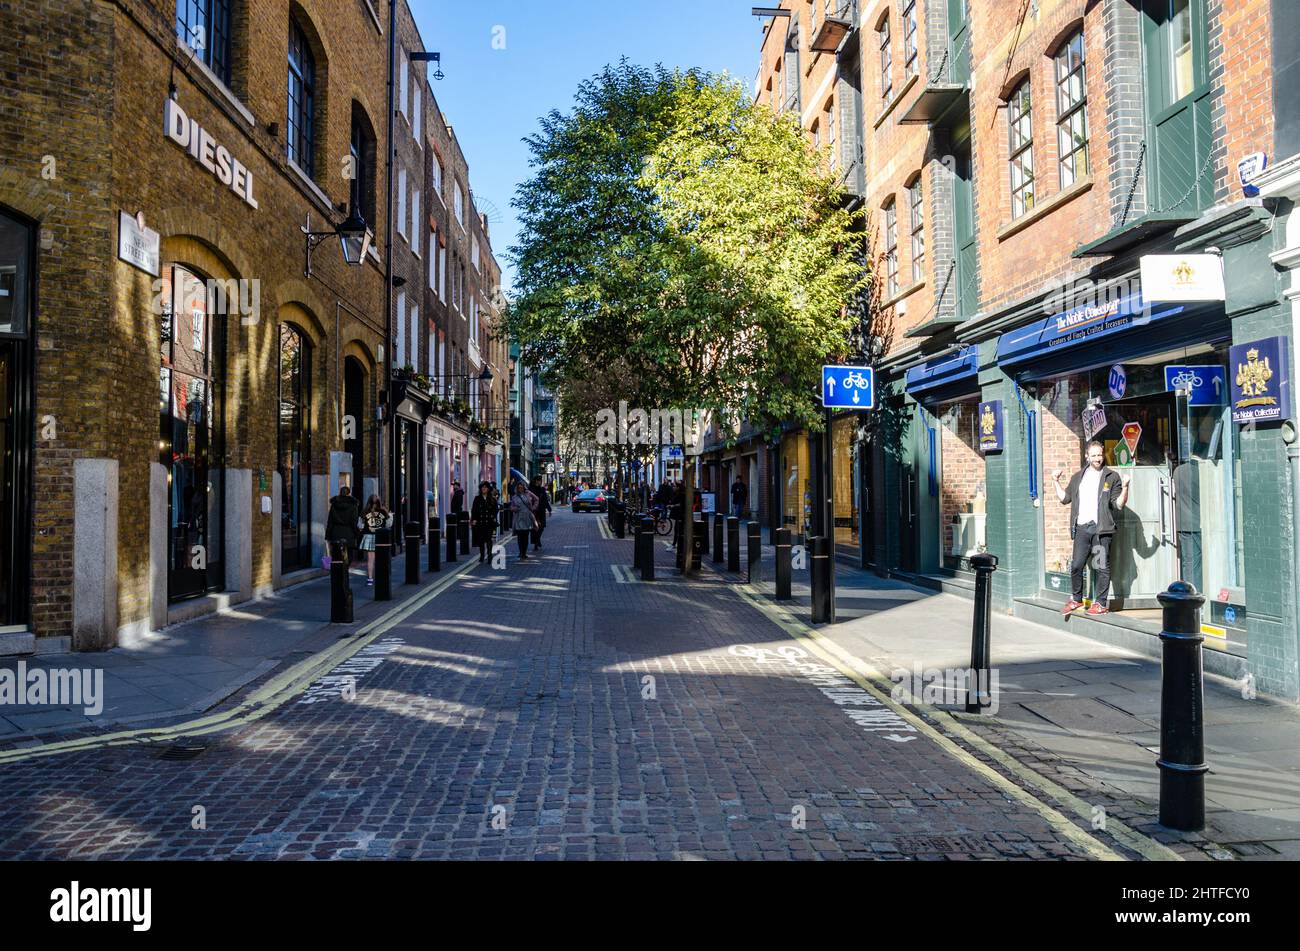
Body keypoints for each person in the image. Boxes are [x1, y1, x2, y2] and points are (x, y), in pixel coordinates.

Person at [1053, 440, 1131, 615]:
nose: (1098, 458)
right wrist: (1055, 481)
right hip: (1082, 528)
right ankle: (1076, 599)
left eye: (1100, 455)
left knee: (1101, 566)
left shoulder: (1111, 477)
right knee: (1076, 566)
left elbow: (1118, 504)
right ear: (1087, 456)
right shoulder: (1078, 477)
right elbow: (1065, 498)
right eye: (1094, 455)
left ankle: (1101, 604)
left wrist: (1126, 487)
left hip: (1100, 530)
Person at [358, 495, 393, 586]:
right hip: (380, 536)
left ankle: (370, 578)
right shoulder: (383, 511)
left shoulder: (365, 511)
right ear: (379, 501)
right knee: (381, 558)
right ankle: (382, 576)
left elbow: (360, 526)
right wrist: (389, 515)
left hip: (369, 536)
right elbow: (389, 524)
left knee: (370, 559)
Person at [325, 485, 361, 566]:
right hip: (349, 532)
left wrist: (328, 535)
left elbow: (330, 521)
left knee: (336, 554)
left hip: (336, 531)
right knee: (349, 554)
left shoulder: (334, 504)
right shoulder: (353, 505)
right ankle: (345, 570)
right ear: (349, 493)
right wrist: (357, 534)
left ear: (340, 493)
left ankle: (339, 571)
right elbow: (354, 521)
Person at [508, 481, 539, 561]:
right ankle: (521, 552)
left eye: (521, 487)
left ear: (524, 487)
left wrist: (533, 507)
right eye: (519, 488)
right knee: (520, 536)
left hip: (527, 517)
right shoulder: (514, 497)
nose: (520, 489)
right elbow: (511, 507)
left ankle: (524, 553)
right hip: (518, 517)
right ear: (517, 488)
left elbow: (537, 499)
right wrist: (514, 508)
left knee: (525, 536)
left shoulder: (528, 493)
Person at [470, 482, 498, 563]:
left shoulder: (492, 499)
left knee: (489, 539)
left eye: (485, 487)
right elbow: (474, 510)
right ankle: (482, 556)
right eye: (482, 487)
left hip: (489, 523)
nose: (483, 489)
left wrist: (493, 517)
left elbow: (495, 510)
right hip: (480, 522)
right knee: (481, 540)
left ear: (488, 489)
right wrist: (474, 519)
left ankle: (489, 556)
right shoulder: (477, 498)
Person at [529, 475, 553, 551]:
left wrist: (549, 509)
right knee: (535, 528)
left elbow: (545, 500)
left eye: (541, 481)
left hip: (541, 511)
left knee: (542, 527)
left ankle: (537, 539)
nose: (541, 482)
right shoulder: (531, 489)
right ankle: (536, 543)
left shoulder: (542, 489)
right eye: (540, 480)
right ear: (536, 481)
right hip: (534, 511)